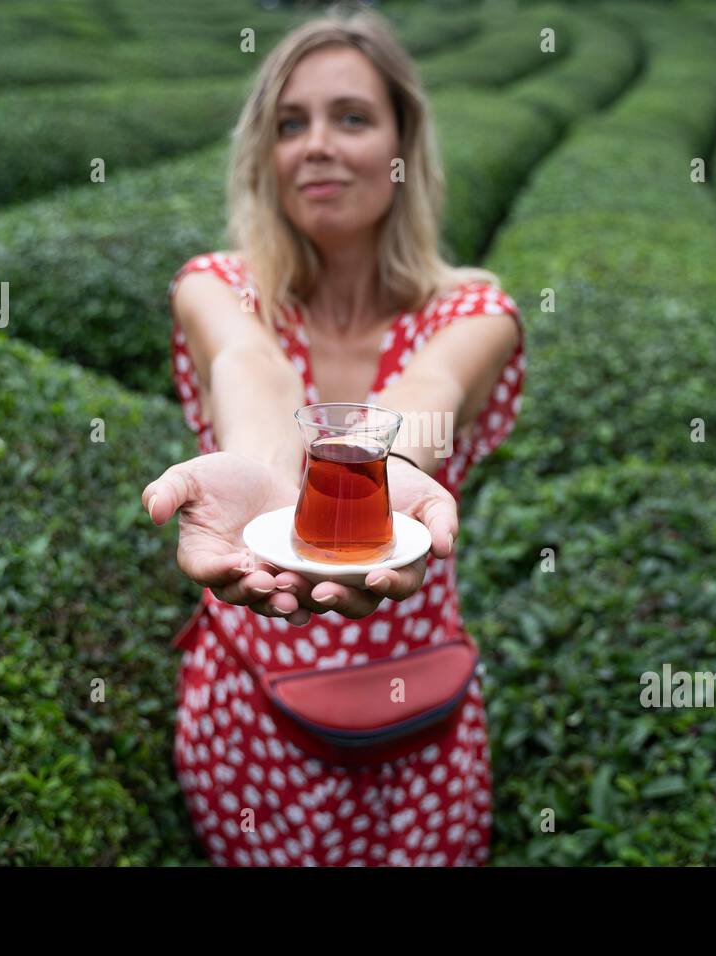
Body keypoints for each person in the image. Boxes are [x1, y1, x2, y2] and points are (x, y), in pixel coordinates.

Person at [141, 7, 525, 866]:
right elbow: (250, 365)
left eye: (351, 117)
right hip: (251, 713)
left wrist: (372, 473)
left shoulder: (475, 313)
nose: (317, 144)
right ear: (266, 157)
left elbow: (427, 394)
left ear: (403, 144)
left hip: (418, 717)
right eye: (290, 123)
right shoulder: (216, 288)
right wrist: (264, 467)